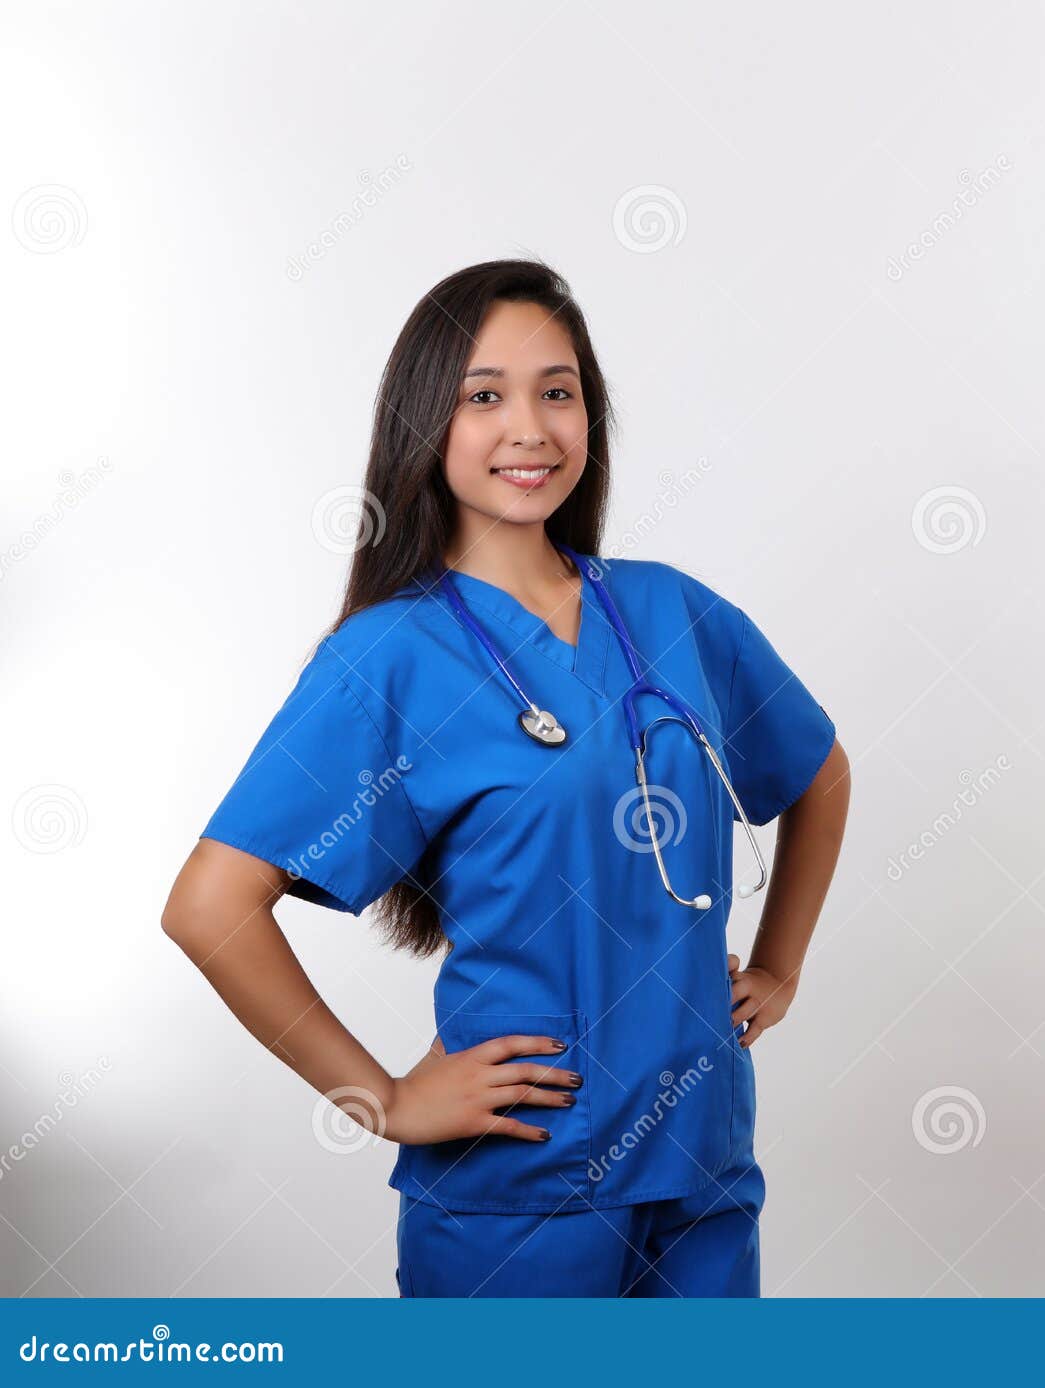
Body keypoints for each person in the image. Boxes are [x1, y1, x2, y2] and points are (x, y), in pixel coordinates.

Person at [160, 259, 850, 1297]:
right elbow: (209, 906)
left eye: (556, 391)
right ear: (425, 422)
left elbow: (818, 772)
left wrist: (781, 967)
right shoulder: (388, 658)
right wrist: (383, 1098)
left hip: (703, 1167)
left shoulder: (675, 611)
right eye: (484, 395)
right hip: (519, 1194)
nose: (529, 427)